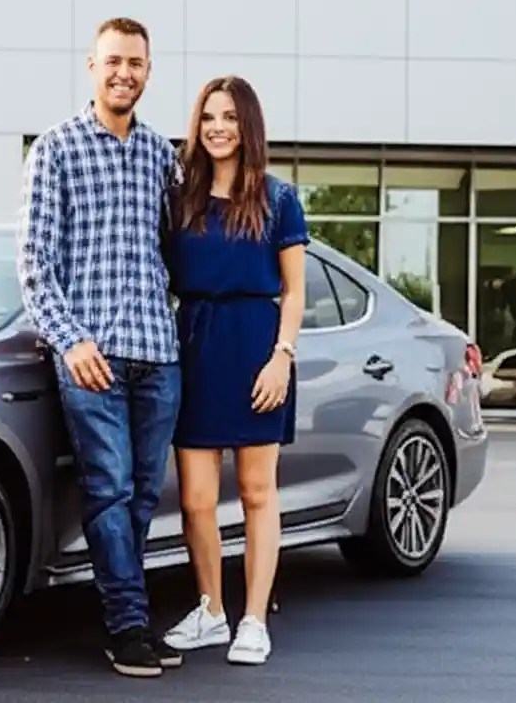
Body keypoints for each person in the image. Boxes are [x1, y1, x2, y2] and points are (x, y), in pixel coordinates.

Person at [17, 17, 183, 678]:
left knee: (144, 495)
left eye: (136, 63)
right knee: (109, 491)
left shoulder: (161, 156)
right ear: (91, 66)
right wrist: (69, 340)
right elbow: (34, 263)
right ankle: (128, 626)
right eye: (114, 61)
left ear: (148, 71)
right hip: (93, 358)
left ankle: (127, 610)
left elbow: (179, 251)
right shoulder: (55, 149)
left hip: (158, 354)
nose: (125, 72)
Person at [159, 75, 308, 666]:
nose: (217, 127)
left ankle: (253, 619)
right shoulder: (180, 199)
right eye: (207, 117)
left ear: (249, 126)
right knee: (196, 499)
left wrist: (282, 356)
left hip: (256, 348)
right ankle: (211, 612)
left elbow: (295, 292)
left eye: (229, 117)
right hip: (193, 347)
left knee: (254, 492)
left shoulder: (278, 198)